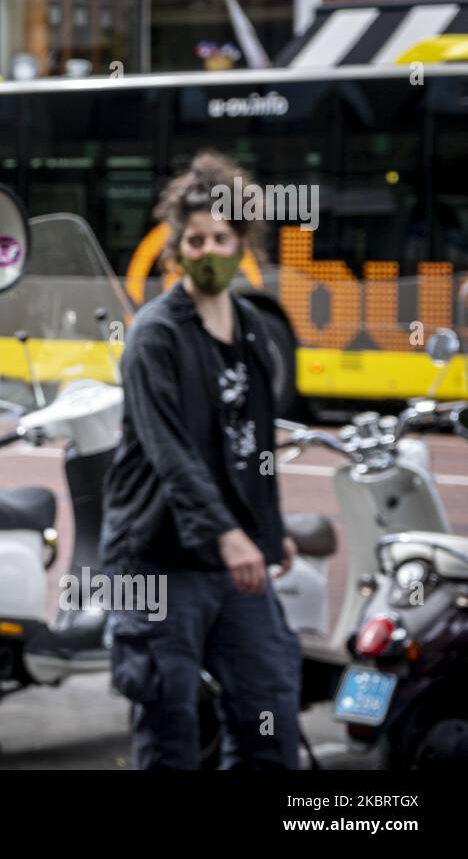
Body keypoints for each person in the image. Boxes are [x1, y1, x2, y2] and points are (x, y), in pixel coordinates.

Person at [101, 151, 301, 770]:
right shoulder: (155, 334)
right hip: (158, 556)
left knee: (268, 709)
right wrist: (230, 535)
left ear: (243, 244)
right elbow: (172, 455)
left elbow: (253, 448)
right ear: (175, 248)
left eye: (221, 237)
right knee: (170, 728)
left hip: (231, 559)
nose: (208, 249)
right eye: (195, 239)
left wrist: (268, 531)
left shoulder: (252, 330)